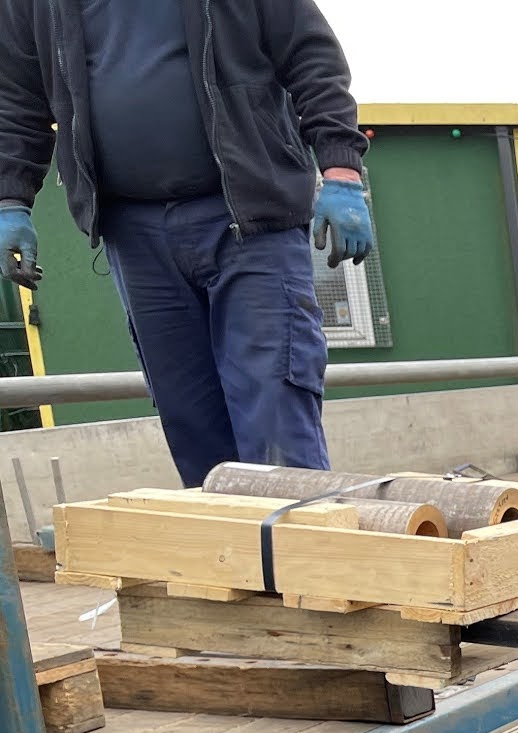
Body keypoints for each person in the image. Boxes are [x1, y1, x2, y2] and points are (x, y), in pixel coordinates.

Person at [0, 0, 375, 487]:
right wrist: (10, 200)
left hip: (251, 219)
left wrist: (341, 170)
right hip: (135, 235)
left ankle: (295, 557)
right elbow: (15, 100)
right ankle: (225, 558)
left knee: (274, 411)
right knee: (190, 420)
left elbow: (311, 56)